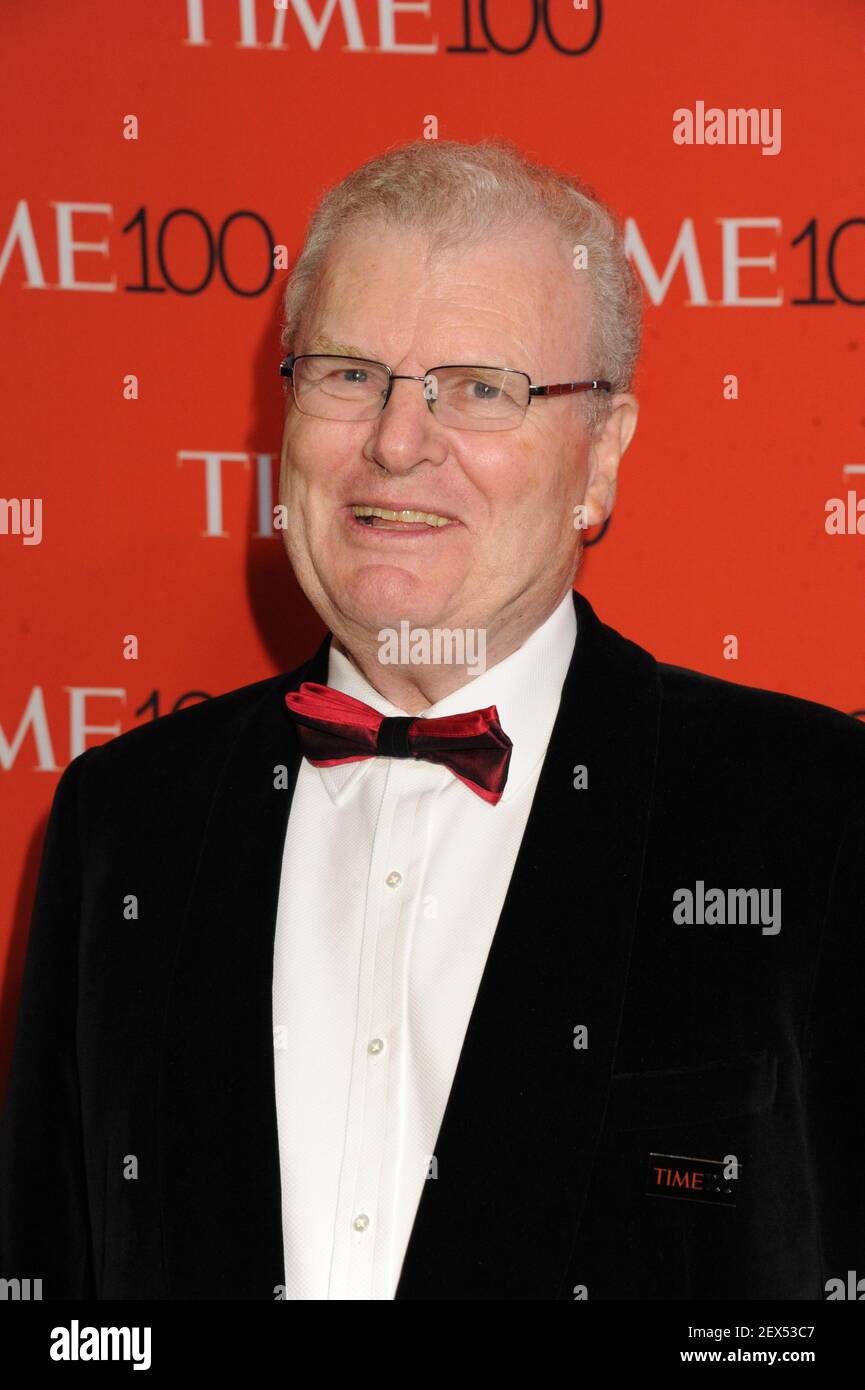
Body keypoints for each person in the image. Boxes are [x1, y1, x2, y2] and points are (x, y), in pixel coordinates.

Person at [1, 138, 862, 1301]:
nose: (398, 442)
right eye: (349, 374)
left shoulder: (812, 811)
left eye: (478, 387)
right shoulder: (126, 822)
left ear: (598, 458)